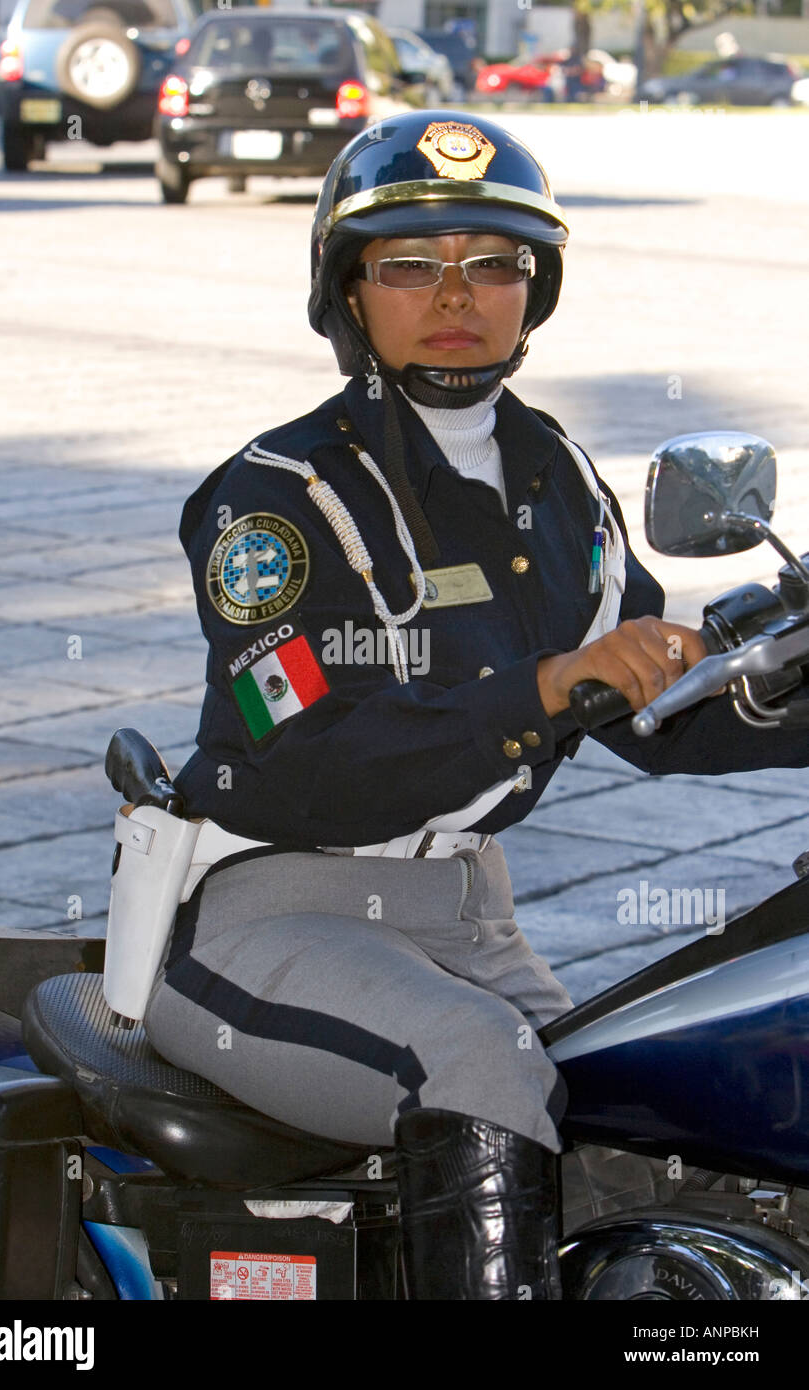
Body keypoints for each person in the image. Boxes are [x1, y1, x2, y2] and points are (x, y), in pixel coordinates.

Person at [143, 111, 809, 1300]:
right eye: (410, 264)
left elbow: (652, 714)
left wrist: (782, 692)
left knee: (646, 1111)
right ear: (348, 289)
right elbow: (307, 766)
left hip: (465, 916)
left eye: (492, 262)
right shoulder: (274, 502)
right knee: (483, 1065)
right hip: (263, 919)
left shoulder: (556, 478)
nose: (456, 294)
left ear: (533, 286)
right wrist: (542, 685)